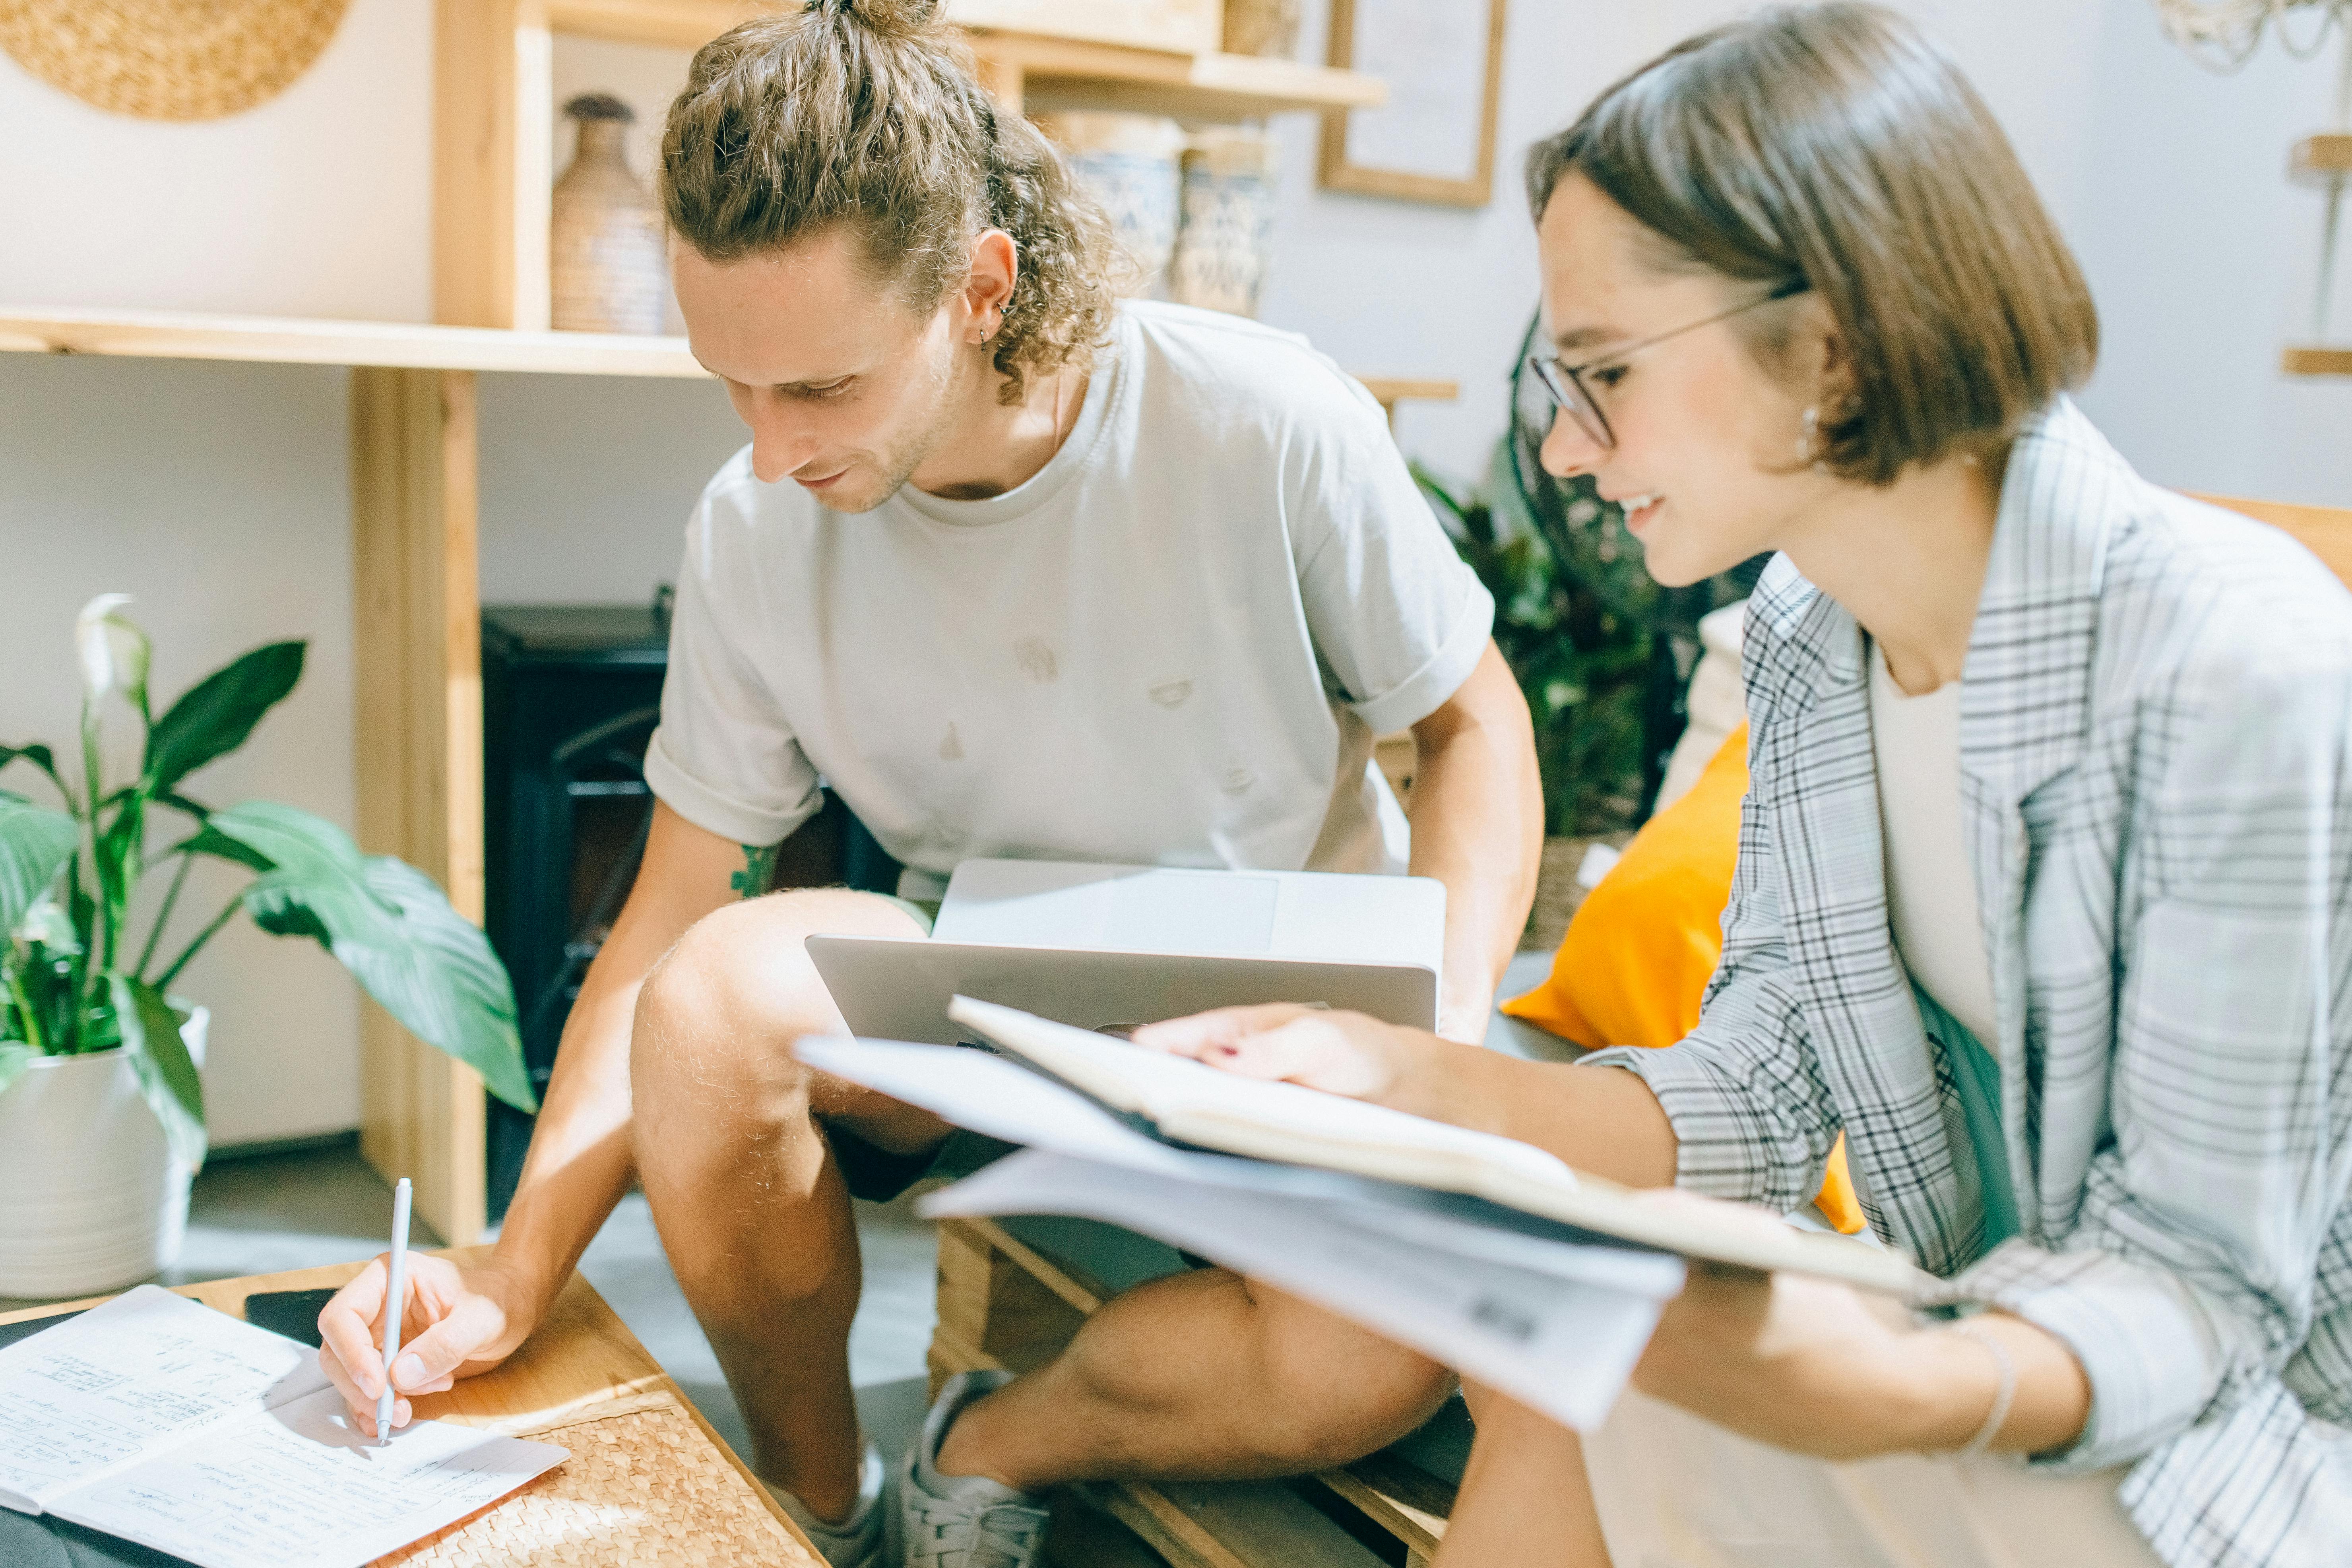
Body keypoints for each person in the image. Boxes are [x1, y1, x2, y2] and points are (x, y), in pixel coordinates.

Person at [311, 1, 1540, 1564]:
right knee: (707, 1000)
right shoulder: (752, 524)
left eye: (819, 389)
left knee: (1360, 1367)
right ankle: (827, 1503)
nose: (768, 451)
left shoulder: (1260, 418)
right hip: (985, 1002)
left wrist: (1440, 1036)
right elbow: (667, 916)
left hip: (1282, 1020)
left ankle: (996, 1441)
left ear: (978, 288)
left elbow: (1474, 731)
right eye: (731, 385)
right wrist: (510, 1261)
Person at [1136, 7, 2352, 1566]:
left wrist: (1896, 1380)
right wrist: (1396, 1078)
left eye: (1606, 375)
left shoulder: (2248, 674)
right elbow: (1764, 1084)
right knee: (1574, 1359)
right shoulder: (1803, 635)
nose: (1567, 455)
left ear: (1829, 339)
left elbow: (2202, 1291)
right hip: (2002, 1356)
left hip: (2244, 1447)